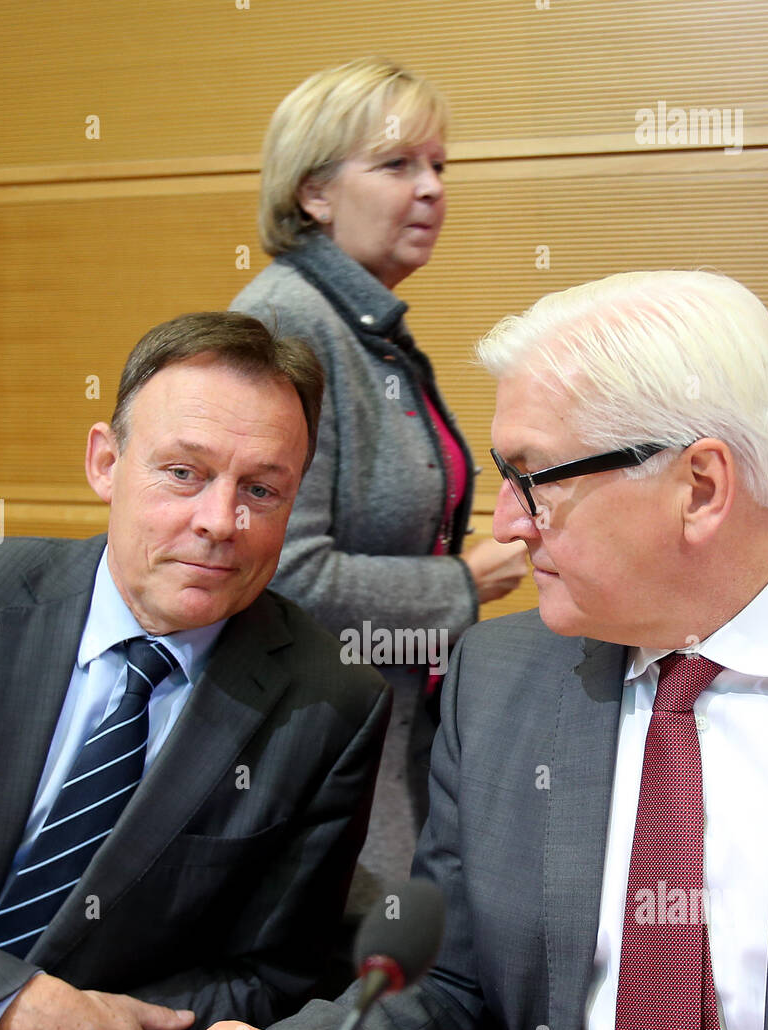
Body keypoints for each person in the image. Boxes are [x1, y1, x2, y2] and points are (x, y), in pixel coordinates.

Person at [146, 272, 768, 1030]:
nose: (506, 527)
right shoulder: (505, 678)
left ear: (700, 486)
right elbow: (450, 983)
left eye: (534, 478)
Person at [0, 311, 391, 1030]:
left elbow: (273, 973)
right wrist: (23, 1013)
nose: (218, 522)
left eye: (262, 489)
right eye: (183, 473)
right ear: (106, 462)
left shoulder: (332, 703)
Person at [231, 58, 525, 910]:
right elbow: (283, 572)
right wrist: (461, 584)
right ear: (314, 194)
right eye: (398, 166)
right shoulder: (289, 323)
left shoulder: (364, 327)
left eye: (439, 166)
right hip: (306, 754)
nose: (431, 189)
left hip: (381, 735)